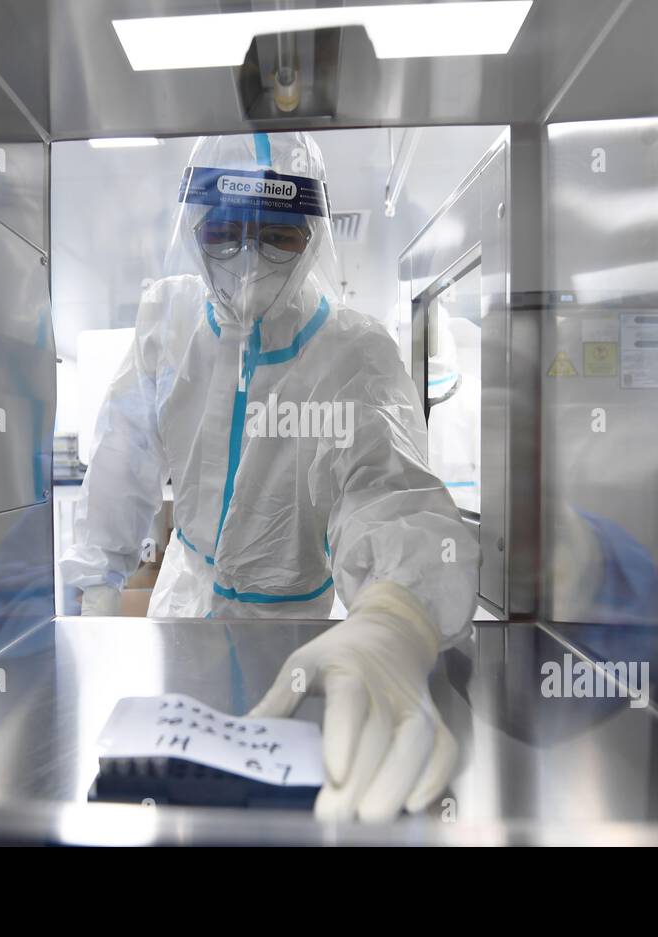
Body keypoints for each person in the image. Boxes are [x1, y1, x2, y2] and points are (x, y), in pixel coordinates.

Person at [60, 131, 478, 822]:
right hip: (180, 624)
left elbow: (387, 493)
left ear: (313, 236)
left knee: (281, 813)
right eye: (225, 233)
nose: (248, 261)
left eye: (277, 237)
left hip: (294, 639)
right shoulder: (169, 323)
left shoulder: (353, 354)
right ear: (193, 231)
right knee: (179, 813)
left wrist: (398, 610)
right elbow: (121, 456)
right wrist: (98, 587)